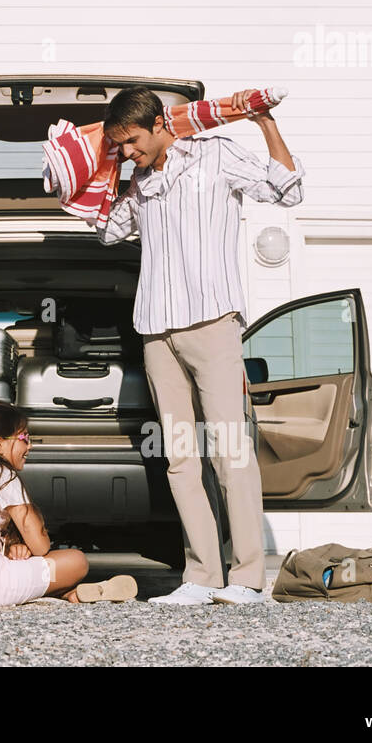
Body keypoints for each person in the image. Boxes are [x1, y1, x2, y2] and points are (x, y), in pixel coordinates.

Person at [99, 86, 305, 606]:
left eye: (131, 141)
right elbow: (106, 231)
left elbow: (289, 188)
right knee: (182, 457)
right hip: (156, 331)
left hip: (212, 324)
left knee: (231, 452)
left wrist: (264, 124)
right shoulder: (139, 181)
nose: (127, 152)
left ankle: (248, 579)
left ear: (160, 124)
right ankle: (201, 577)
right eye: (119, 146)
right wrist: (102, 170)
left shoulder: (215, 155)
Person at [0, 402, 137, 608]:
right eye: (24, 438)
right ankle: (66, 591)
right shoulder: (2, 475)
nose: (29, 446)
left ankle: (67, 593)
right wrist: (31, 539)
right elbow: (41, 547)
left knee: (29, 566)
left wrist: (14, 548)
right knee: (75, 561)